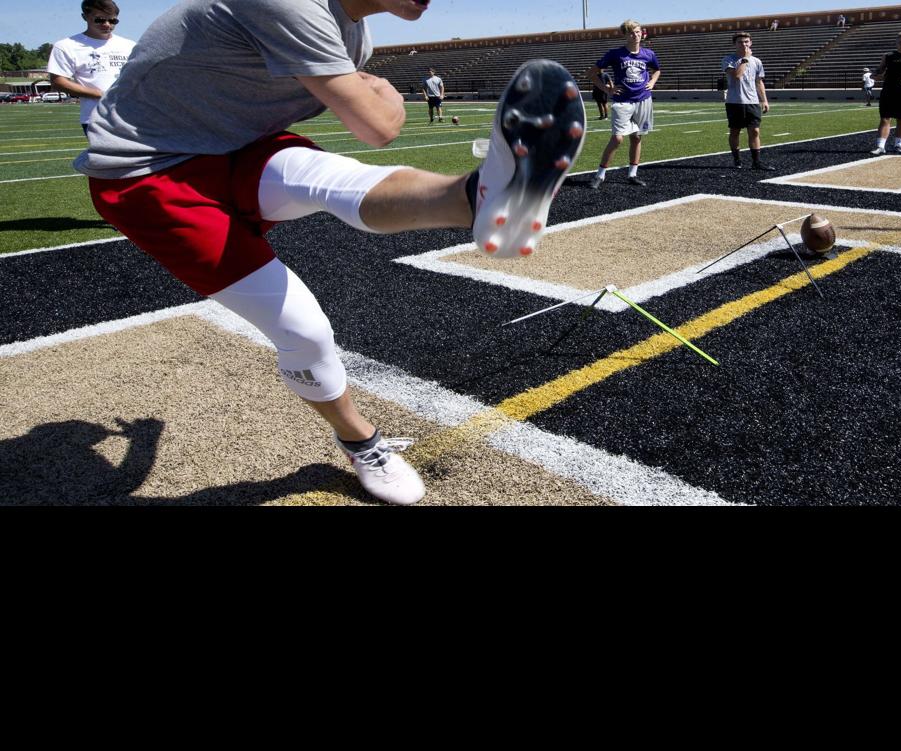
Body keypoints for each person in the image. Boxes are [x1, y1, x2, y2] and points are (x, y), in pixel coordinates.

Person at [74, 0, 586, 505]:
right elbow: (379, 125)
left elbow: (376, 112)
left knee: (331, 177)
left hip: (236, 150)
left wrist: (378, 94)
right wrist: (381, 94)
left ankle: (475, 199)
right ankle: (360, 441)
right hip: (146, 176)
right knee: (305, 331)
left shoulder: (354, 35)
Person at [46, 0, 136, 136]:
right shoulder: (66, 46)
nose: (107, 24)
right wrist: (101, 94)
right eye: (99, 20)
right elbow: (58, 82)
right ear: (85, 17)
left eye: (113, 21)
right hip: (97, 118)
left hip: (133, 116)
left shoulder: (129, 45)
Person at [589, 19, 659, 189]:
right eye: (631, 33)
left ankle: (632, 174)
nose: (635, 35)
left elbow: (657, 70)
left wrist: (652, 81)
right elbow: (591, 73)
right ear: (625, 35)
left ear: (642, 33)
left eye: (638, 32)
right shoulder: (615, 54)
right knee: (617, 138)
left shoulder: (649, 54)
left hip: (643, 99)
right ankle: (600, 175)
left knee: (637, 137)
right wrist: (607, 89)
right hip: (622, 101)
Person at [723, 32, 772, 171]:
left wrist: (764, 100)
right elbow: (737, 75)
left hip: (752, 101)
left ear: (750, 43)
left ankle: (756, 162)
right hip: (735, 102)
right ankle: (737, 159)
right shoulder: (728, 59)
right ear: (735, 44)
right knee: (735, 131)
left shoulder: (757, 61)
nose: (744, 44)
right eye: (740, 42)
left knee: (755, 131)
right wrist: (745, 59)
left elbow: (759, 82)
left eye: (746, 41)